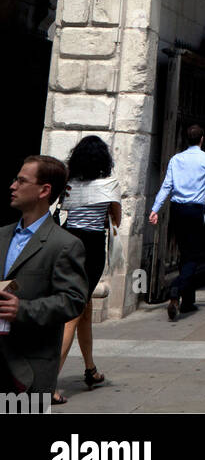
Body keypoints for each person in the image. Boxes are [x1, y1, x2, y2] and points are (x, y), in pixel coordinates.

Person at [0, 155, 89, 406]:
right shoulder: (2, 236)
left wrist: (23, 309)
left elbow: (72, 301)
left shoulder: (65, 245)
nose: (12, 186)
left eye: (21, 180)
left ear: (44, 190)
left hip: (29, 369)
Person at [55, 136, 122, 403]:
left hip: (67, 242)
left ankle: (90, 369)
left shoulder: (68, 184)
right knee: (73, 312)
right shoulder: (109, 185)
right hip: (92, 248)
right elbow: (116, 219)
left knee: (85, 309)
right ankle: (49, 382)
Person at [149, 124, 205, 319]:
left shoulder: (176, 159)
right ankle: (176, 289)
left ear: (187, 139)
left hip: (177, 210)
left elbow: (167, 185)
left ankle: (188, 300)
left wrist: (155, 209)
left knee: (185, 253)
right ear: (202, 139)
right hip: (194, 211)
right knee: (193, 256)